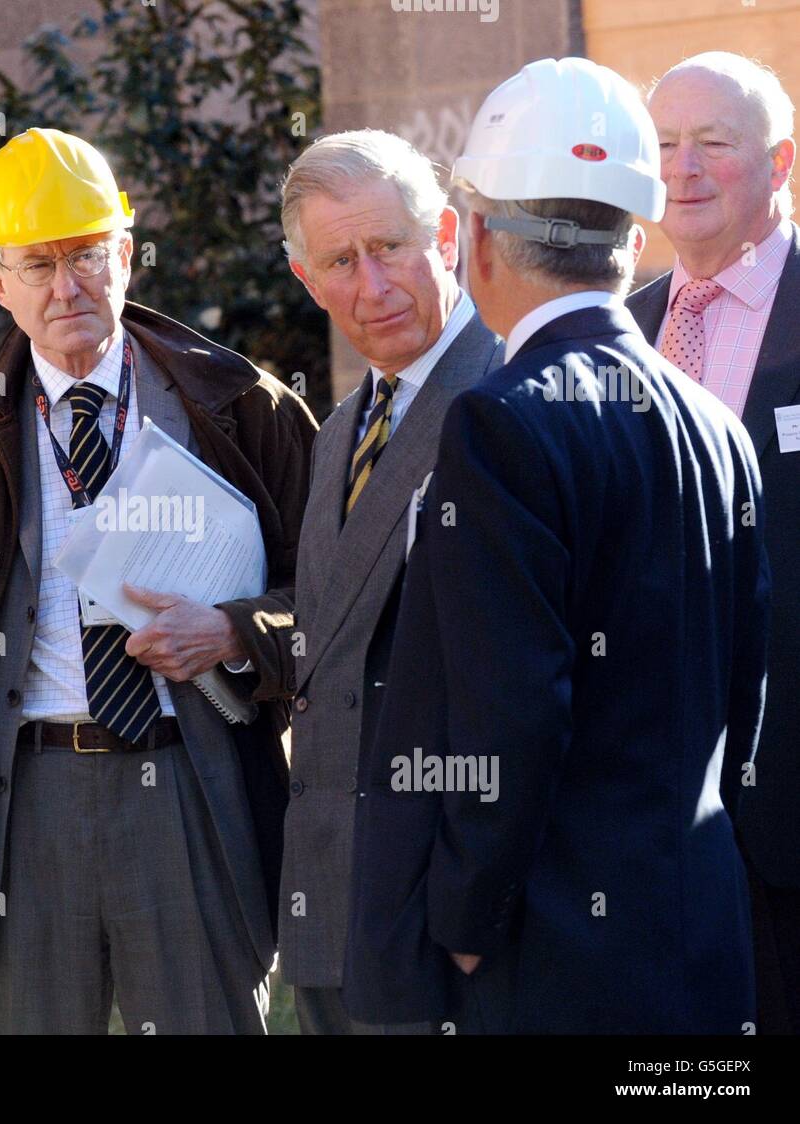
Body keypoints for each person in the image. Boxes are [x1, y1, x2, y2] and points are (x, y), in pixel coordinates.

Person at [347, 57, 769, 1033]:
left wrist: (461, 919)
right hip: (699, 937)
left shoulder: (502, 424)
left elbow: (511, 716)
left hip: (553, 960)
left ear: (483, 238)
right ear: (629, 239)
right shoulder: (718, 426)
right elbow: (740, 708)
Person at [0, 127, 317, 1033]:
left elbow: (337, 608)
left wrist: (240, 632)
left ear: (126, 253)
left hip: (193, 787)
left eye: (86, 255)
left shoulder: (241, 408)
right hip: (26, 808)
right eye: (37, 265)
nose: (67, 286)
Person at [273, 129, 501, 1034]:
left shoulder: (511, 402)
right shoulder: (336, 435)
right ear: (306, 280)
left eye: (390, 247)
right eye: (340, 261)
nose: (371, 288)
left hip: (443, 920)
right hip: (332, 909)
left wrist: (474, 902)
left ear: (446, 233)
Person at [629, 51, 800, 1034]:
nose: (681, 169)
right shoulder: (621, 326)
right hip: (648, 817)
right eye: (661, 146)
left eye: (712, 144)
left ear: (776, 165)